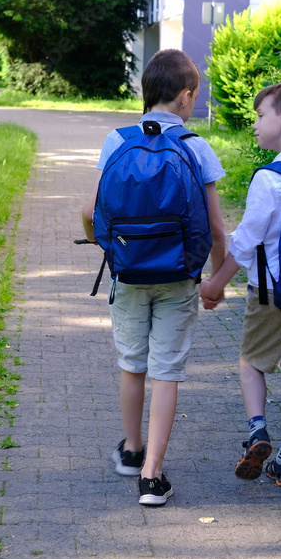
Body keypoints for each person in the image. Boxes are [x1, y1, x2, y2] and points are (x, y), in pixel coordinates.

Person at [82, 49, 226, 506]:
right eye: (194, 96)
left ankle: (131, 451)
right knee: (167, 370)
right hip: (180, 276)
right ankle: (152, 476)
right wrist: (217, 279)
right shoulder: (196, 146)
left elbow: (89, 210)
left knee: (133, 364)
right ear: (186, 97)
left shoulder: (117, 140)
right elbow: (215, 227)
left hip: (128, 274)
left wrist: (108, 246)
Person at [200, 81, 281, 488]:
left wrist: (215, 284)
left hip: (271, 293)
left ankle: (257, 432)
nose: (254, 124)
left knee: (251, 363)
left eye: (260, 116)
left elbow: (247, 241)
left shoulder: (269, 178)